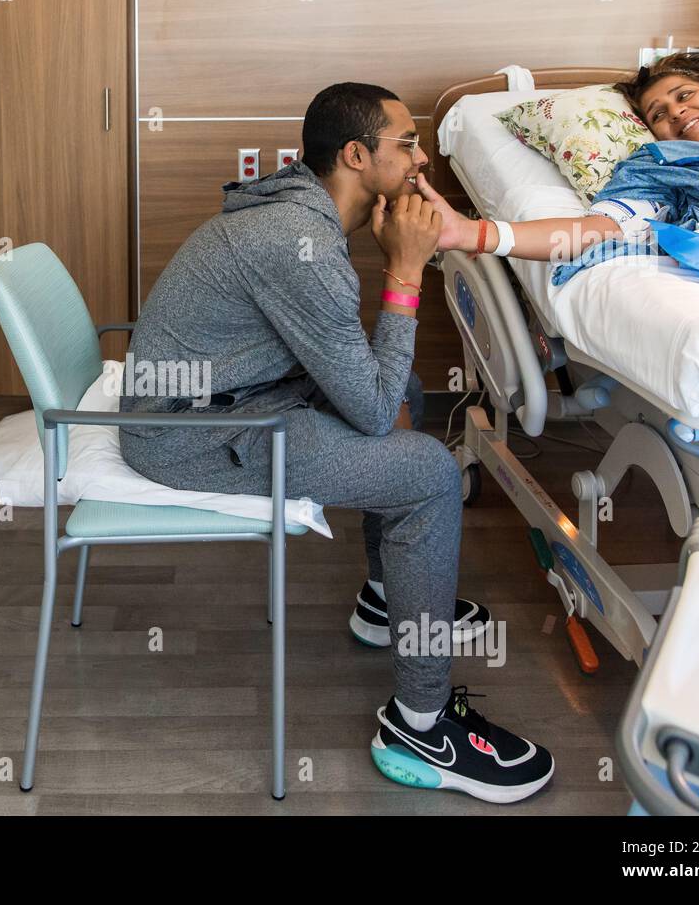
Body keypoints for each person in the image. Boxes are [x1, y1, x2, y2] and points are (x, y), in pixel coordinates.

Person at [118, 82, 554, 804]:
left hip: (229, 396)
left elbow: (382, 394)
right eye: (407, 144)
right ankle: (421, 726)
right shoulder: (302, 246)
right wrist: (406, 271)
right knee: (427, 473)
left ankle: (388, 601)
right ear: (357, 156)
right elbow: (375, 414)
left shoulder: (302, 213)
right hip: (189, 433)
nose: (421, 162)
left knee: (410, 392)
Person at [417, 52, 699, 278]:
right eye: (658, 114)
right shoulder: (661, 169)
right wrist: (474, 233)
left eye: (684, 95)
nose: (675, 111)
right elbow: (601, 229)